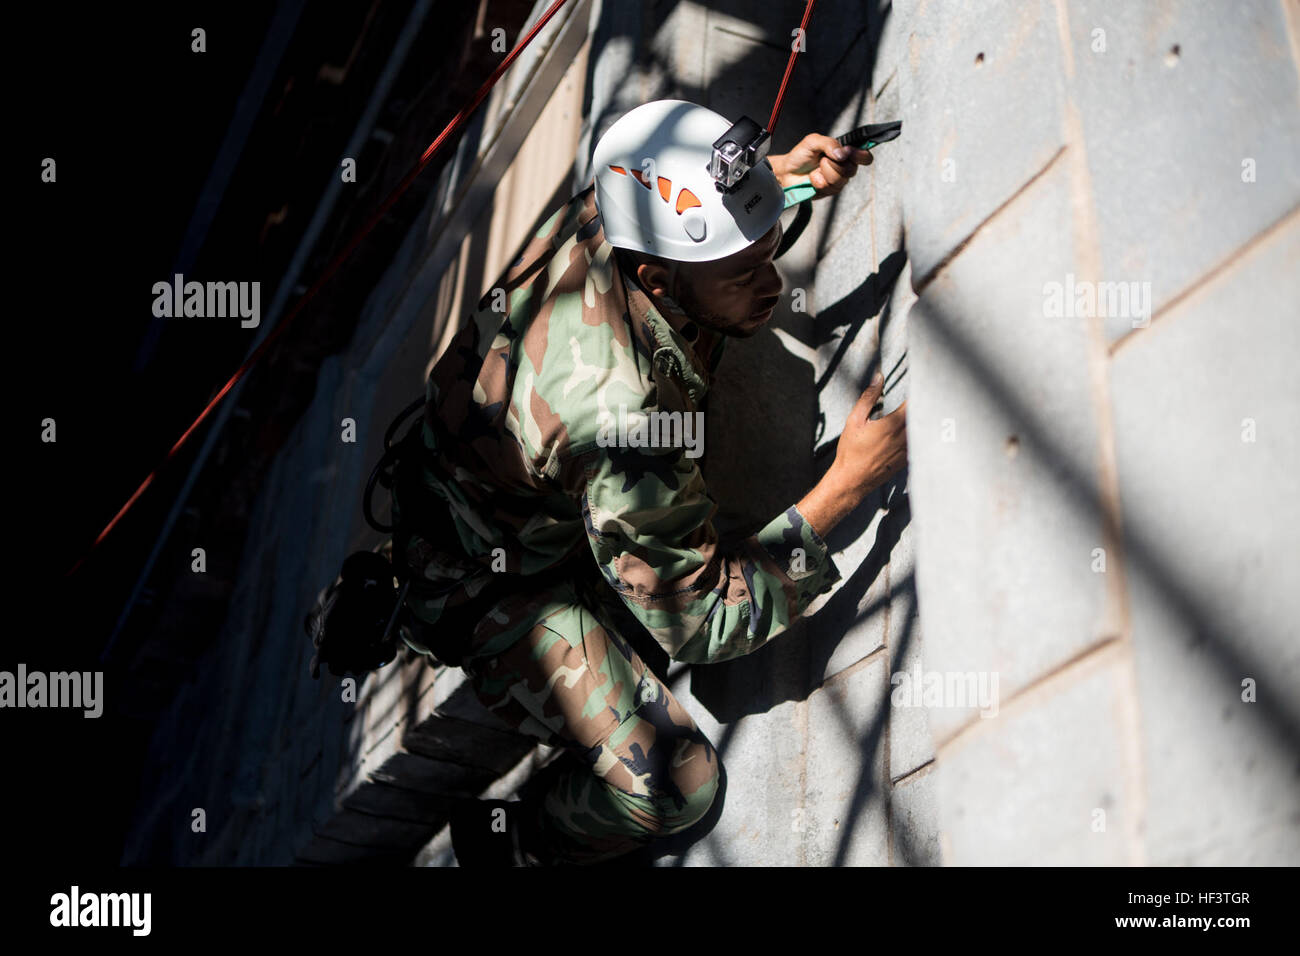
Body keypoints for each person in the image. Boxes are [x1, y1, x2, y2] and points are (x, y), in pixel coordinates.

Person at [392, 99, 908, 865]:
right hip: (487, 582)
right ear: (656, 278)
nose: (771, 286)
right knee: (677, 785)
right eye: (746, 271)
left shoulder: (623, 194)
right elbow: (695, 620)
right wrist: (846, 485)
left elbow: (695, 207)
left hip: (510, 480)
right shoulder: (619, 414)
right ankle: (522, 842)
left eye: (768, 254)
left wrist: (785, 181)